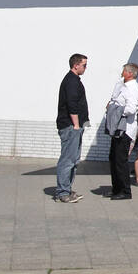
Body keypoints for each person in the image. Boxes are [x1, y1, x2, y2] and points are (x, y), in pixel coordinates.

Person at [54, 53, 88, 203]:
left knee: (73, 160)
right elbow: (71, 104)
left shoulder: (74, 80)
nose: (85, 68)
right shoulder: (71, 82)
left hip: (73, 125)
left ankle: (66, 188)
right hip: (70, 125)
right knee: (68, 160)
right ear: (76, 65)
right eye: (84, 65)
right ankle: (63, 192)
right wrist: (75, 124)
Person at [107, 63, 138, 199]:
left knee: (121, 160)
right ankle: (116, 188)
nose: (122, 73)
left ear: (130, 73)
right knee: (113, 158)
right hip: (117, 127)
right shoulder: (122, 85)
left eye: (124, 71)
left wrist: (116, 110)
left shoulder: (133, 88)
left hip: (126, 129)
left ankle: (125, 191)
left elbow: (131, 109)